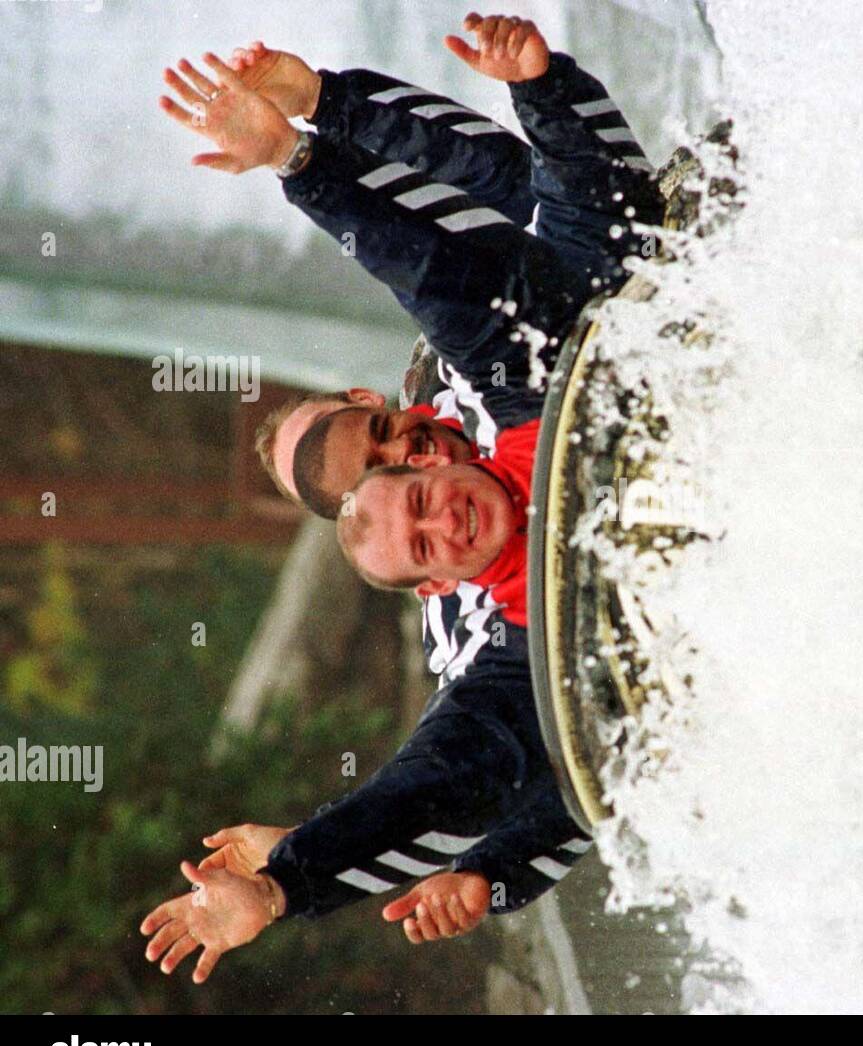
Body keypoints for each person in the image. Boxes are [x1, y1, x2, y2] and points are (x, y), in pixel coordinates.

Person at [143, 12, 659, 983]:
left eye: (395, 457)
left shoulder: (507, 373)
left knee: (565, 246)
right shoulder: (513, 647)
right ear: (434, 585)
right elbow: (483, 778)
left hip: (635, 275)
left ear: (413, 435)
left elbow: (437, 256)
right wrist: (296, 877)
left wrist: (309, 140)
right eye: (420, 544)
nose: (439, 515)